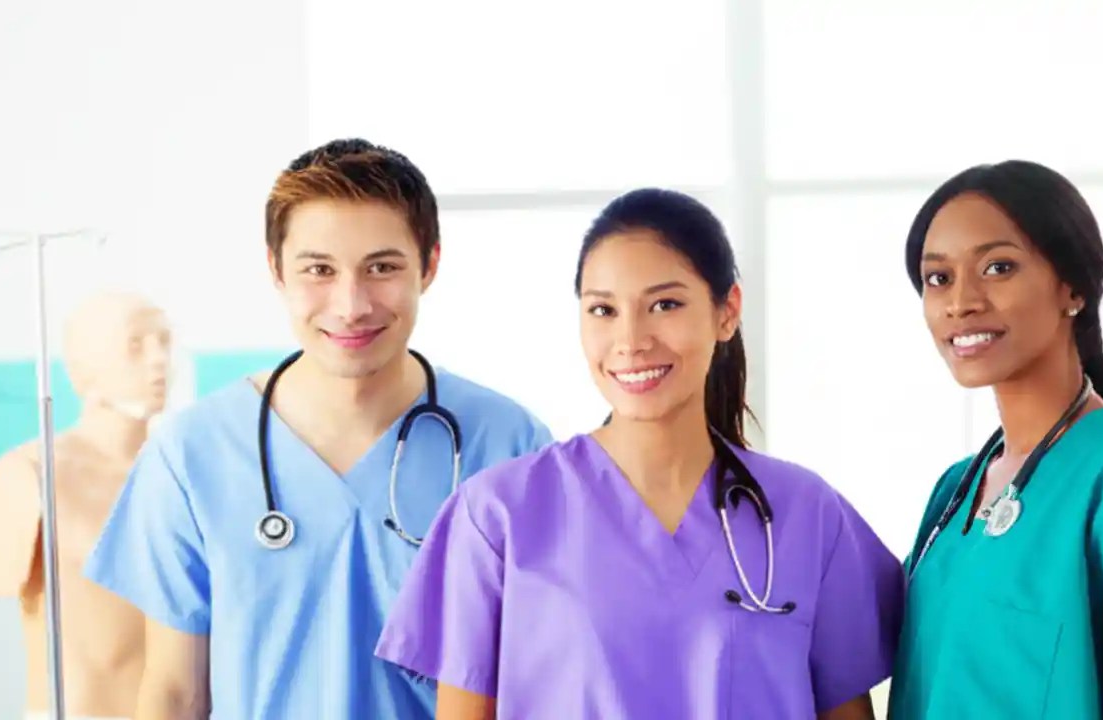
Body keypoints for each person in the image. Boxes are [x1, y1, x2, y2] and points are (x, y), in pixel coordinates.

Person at [375, 188, 905, 719]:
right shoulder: (497, 515)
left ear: (727, 312)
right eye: (603, 310)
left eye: (665, 305)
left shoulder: (806, 514)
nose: (630, 340)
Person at [83, 138, 553, 719]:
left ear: (429, 265)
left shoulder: (509, 445)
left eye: (382, 268)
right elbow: (176, 693)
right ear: (276, 270)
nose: (351, 305)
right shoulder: (193, 454)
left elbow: (542, 676)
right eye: (319, 270)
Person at [888, 160, 1103, 719]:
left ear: (1073, 287)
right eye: (938, 278)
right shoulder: (956, 490)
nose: (960, 301)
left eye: (998, 267)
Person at [0, 291, 171, 720]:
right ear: (82, 368)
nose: (159, 359)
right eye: (135, 344)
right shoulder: (30, 475)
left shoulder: (180, 476)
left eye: (164, 341)